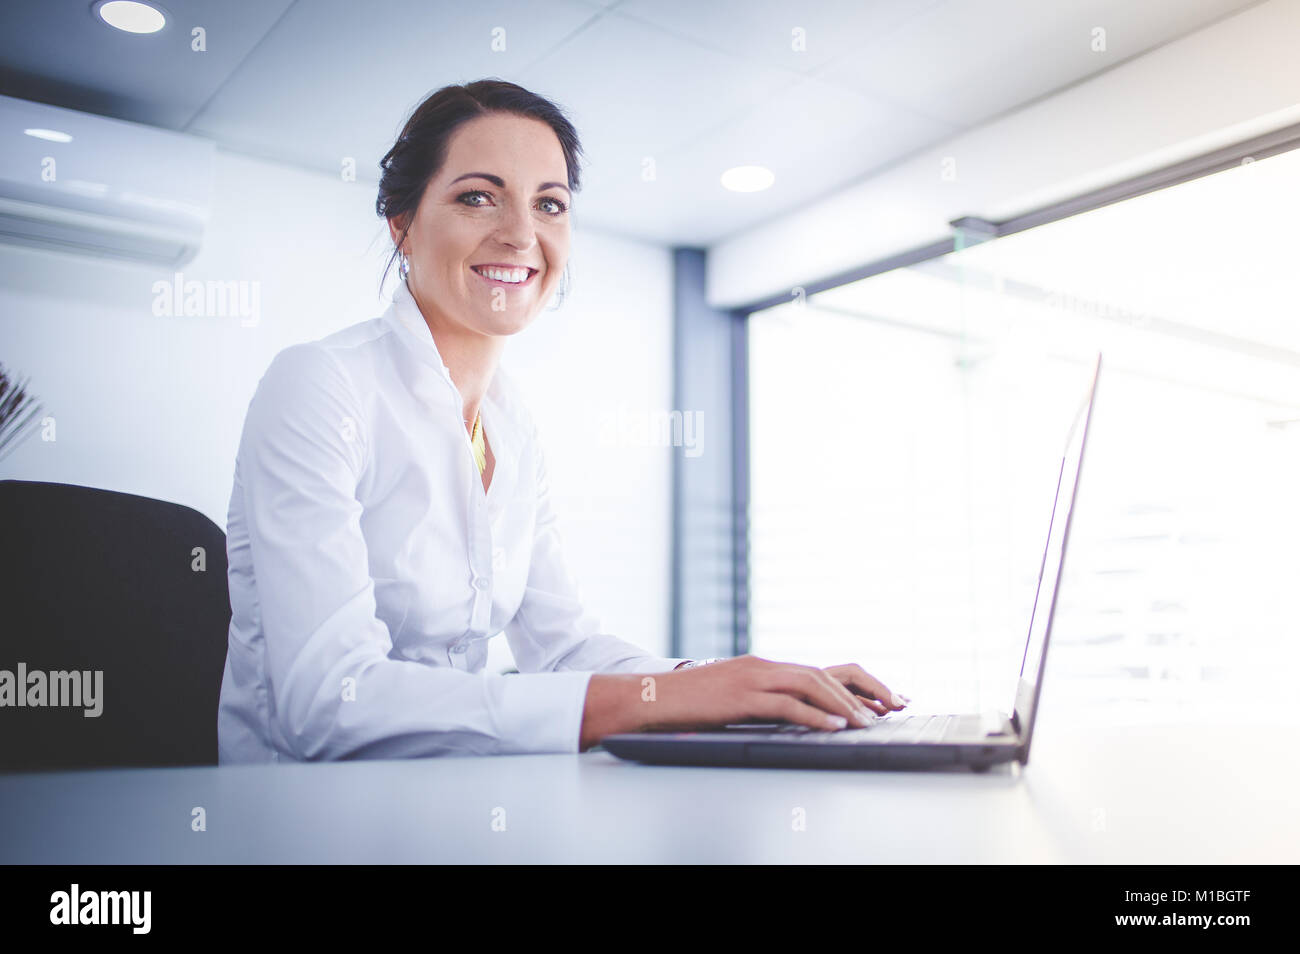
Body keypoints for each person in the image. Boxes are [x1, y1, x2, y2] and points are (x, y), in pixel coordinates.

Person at [216, 78, 907, 763]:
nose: (521, 234)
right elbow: (328, 702)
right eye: (477, 197)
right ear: (402, 224)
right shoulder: (320, 385)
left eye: (549, 204)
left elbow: (564, 647)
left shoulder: (512, 429)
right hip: (304, 820)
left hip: (448, 807)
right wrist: (669, 702)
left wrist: (734, 685)